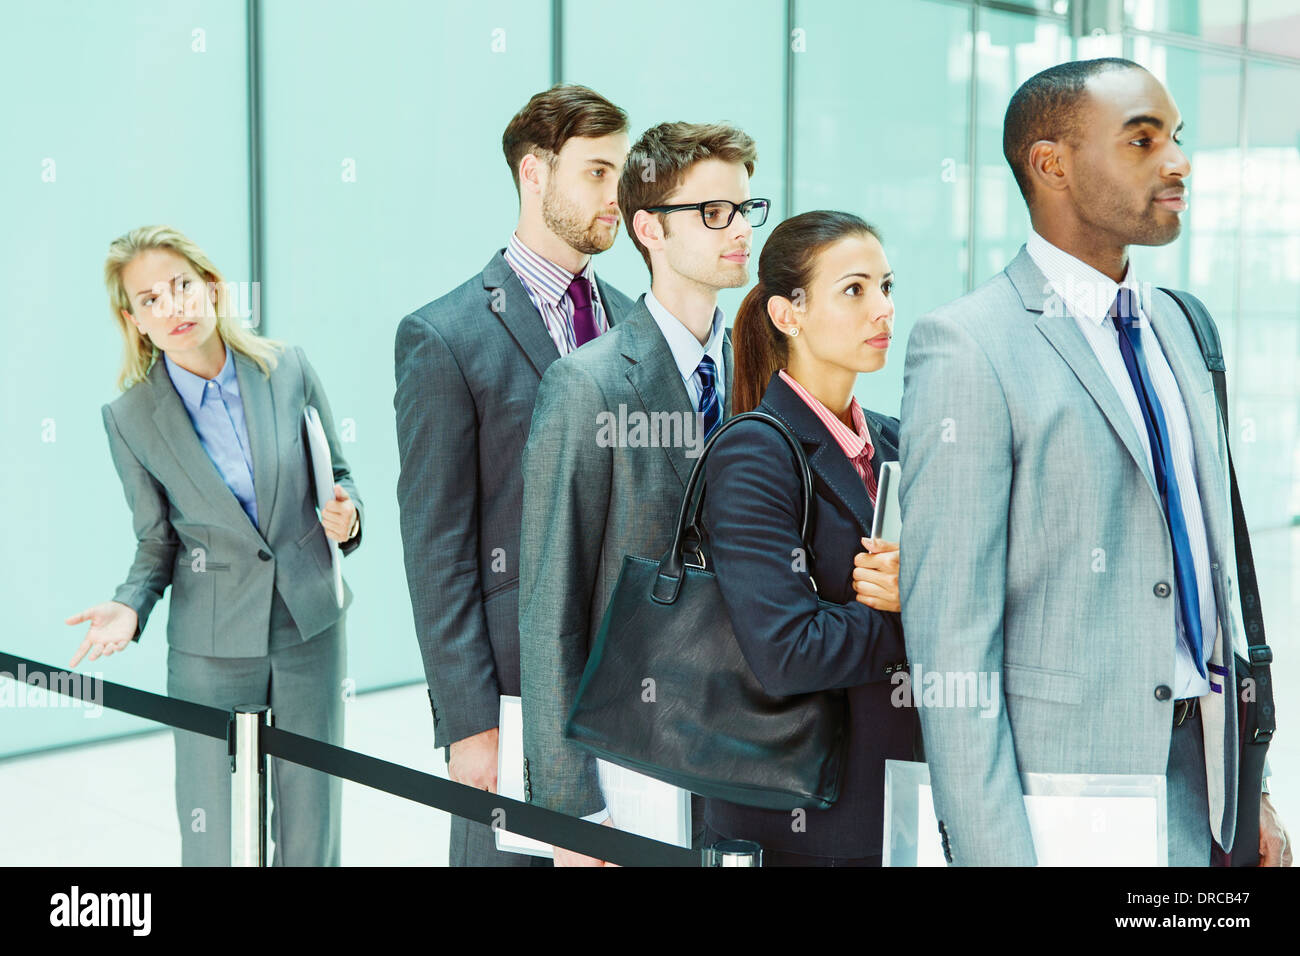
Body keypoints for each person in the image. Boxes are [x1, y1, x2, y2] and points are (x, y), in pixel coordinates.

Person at [899, 58, 1290, 866]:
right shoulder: (969, 346)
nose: (1177, 162)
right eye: (1142, 141)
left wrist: (1251, 789)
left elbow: (1213, 581)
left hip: (1207, 782)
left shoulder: (1181, 327)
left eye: (1177, 138)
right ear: (1052, 166)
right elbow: (951, 645)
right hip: (1065, 804)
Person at [393, 84, 636, 867]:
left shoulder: (639, 322)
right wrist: (468, 722)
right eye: (597, 172)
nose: (618, 194)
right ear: (535, 174)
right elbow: (437, 545)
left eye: (623, 173)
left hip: (635, 683)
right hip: (512, 687)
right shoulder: (445, 336)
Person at [67, 224, 362, 866]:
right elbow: (155, 543)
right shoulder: (130, 419)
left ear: (212, 287)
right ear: (133, 319)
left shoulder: (286, 369)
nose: (171, 306)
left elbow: (338, 476)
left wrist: (350, 516)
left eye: (180, 285)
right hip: (209, 646)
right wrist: (130, 605)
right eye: (150, 299)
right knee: (211, 834)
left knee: (313, 820)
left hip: (308, 624)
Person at [519, 121, 763, 865]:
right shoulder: (586, 385)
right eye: (712, 213)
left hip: (756, 740)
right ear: (649, 228)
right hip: (636, 744)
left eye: (745, 210)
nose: (739, 232)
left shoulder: (761, 374)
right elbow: (549, 604)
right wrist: (567, 809)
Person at [700, 210, 916, 866]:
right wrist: (920, 611)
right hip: (806, 814)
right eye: (854, 290)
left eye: (886, 286)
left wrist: (920, 591)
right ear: (787, 314)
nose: (881, 308)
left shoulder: (897, 438)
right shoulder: (753, 453)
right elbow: (789, 652)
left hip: (899, 790)